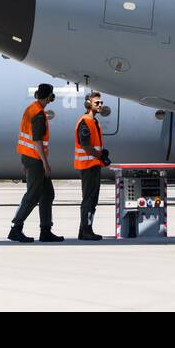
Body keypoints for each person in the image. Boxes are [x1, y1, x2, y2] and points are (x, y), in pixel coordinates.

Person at [9, 84, 63, 242]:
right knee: (33, 195)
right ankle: (16, 228)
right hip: (35, 159)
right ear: (49, 97)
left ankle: (46, 231)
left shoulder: (31, 108)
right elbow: (37, 141)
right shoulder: (38, 113)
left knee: (47, 194)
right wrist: (45, 163)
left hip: (30, 157)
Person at [74, 91, 112, 240]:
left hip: (94, 164)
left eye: (101, 103)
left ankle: (83, 231)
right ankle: (86, 231)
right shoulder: (85, 122)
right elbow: (86, 146)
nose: (100, 105)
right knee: (89, 199)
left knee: (92, 199)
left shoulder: (94, 121)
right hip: (88, 165)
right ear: (88, 104)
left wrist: (102, 152)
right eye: (97, 103)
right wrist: (101, 156)